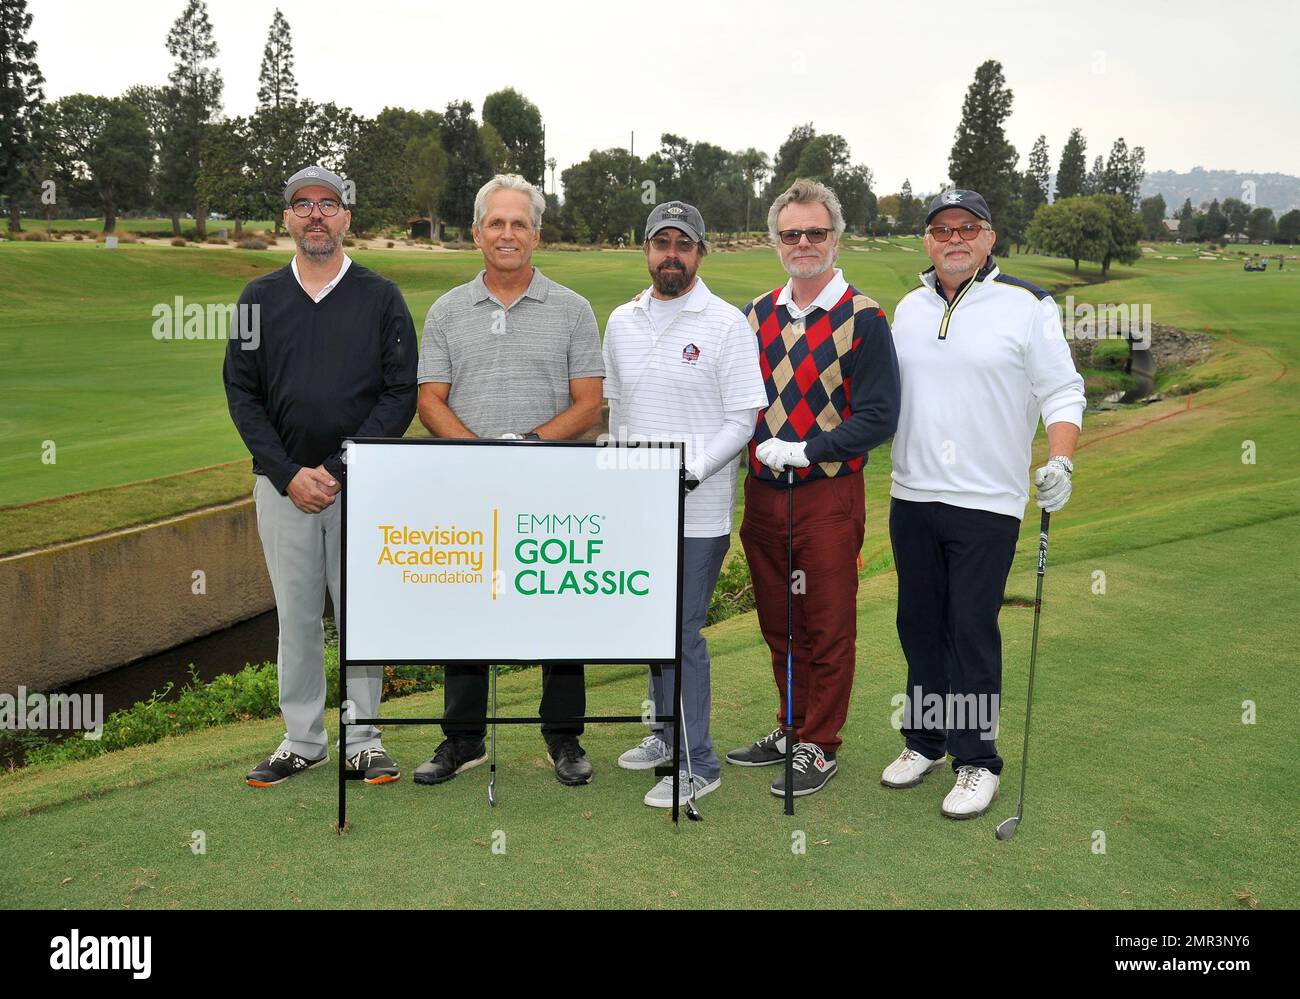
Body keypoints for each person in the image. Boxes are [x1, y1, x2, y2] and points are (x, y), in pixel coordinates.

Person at [882, 189, 1086, 819]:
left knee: (970, 629)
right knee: (919, 627)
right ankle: (927, 740)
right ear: (927, 240)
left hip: (988, 499)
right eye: (942, 228)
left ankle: (977, 761)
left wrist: (1060, 460)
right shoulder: (910, 308)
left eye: (968, 228)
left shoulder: (1027, 305)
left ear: (990, 238)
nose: (954, 239)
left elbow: (1062, 391)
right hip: (912, 494)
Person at [224, 165, 418, 787]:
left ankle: (363, 737)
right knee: (297, 615)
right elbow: (241, 393)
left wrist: (337, 468)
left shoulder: (381, 296)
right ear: (286, 219)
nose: (315, 214)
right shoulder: (259, 297)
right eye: (302, 204)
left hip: (361, 485)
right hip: (283, 488)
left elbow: (399, 394)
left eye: (328, 204)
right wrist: (287, 474)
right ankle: (303, 738)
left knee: (362, 612)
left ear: (346, 219)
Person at [415, 174, 604, 787]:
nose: (507, 233)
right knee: (467, 608)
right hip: (470, 484)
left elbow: (589, 404)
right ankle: (463, 739)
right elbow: (429, 399)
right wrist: (480, 454)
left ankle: (564, 737)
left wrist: (526, 447)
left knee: (558, 606)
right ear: (476, 234)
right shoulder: (447, 310)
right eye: (495, 223)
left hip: (551, 483)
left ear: (536, 235)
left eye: (518, 223)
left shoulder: (572, 310)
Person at [727, 179, 901, 798]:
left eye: (816, 233)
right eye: (791, 234)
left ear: (835, 238)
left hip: (827, 497)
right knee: (780, 621)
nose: (804, 244)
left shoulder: (864, 317)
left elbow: (878, 417)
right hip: (764, 495)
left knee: (827, 624)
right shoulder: (755, 315)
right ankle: (792, 725)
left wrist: (807, 449)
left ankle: (820, 744)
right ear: (777, 241)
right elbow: (735, 404)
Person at [603, 201, 766, 808]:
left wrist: (688, 473)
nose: (671, 254)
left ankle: (699, 763)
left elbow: (743, 419)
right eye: (660, 243)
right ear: (646, 251)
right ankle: (664, 733)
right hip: (637, 505)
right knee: (650, 626)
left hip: (697, 509)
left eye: (683, 244)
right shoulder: (621, 320)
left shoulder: (726, 324)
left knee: (680, 631)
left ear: (700, 253)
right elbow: (617, 411)